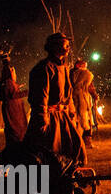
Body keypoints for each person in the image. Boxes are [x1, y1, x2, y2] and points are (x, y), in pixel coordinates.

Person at [26, 33, 85, 165]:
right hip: (49, 118)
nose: (68, 48)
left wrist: (71, 113)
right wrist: (42, 120)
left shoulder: (64, 67)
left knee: (75, 147)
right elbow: (40, 97)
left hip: (62, 117)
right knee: (47, 154)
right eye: (65, 45)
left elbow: (68, 94)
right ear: (55, 46)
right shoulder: (43, 68)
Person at [0, 58, 28, 147]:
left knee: (12, 128)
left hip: (10, 108)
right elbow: (13, 95)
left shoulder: (4, 82)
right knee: (16, 128)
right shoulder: (8, 82)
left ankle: (14, 146)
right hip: (13, 109)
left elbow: (7, 94)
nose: (14, 73)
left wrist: (17, 86)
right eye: (13, 71)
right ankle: (16, 147)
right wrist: (27, 92)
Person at [70, 58, 100, 147]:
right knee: (85, 120)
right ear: (78, 65)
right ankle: (85, 142)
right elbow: (89, 87)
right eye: (84, 66)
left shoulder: (70, 73)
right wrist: (94, 95)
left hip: (73, 99)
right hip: (82, 99)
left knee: (77, 120)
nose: (86, 67)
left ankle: (77, 142)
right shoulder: (85, 74)